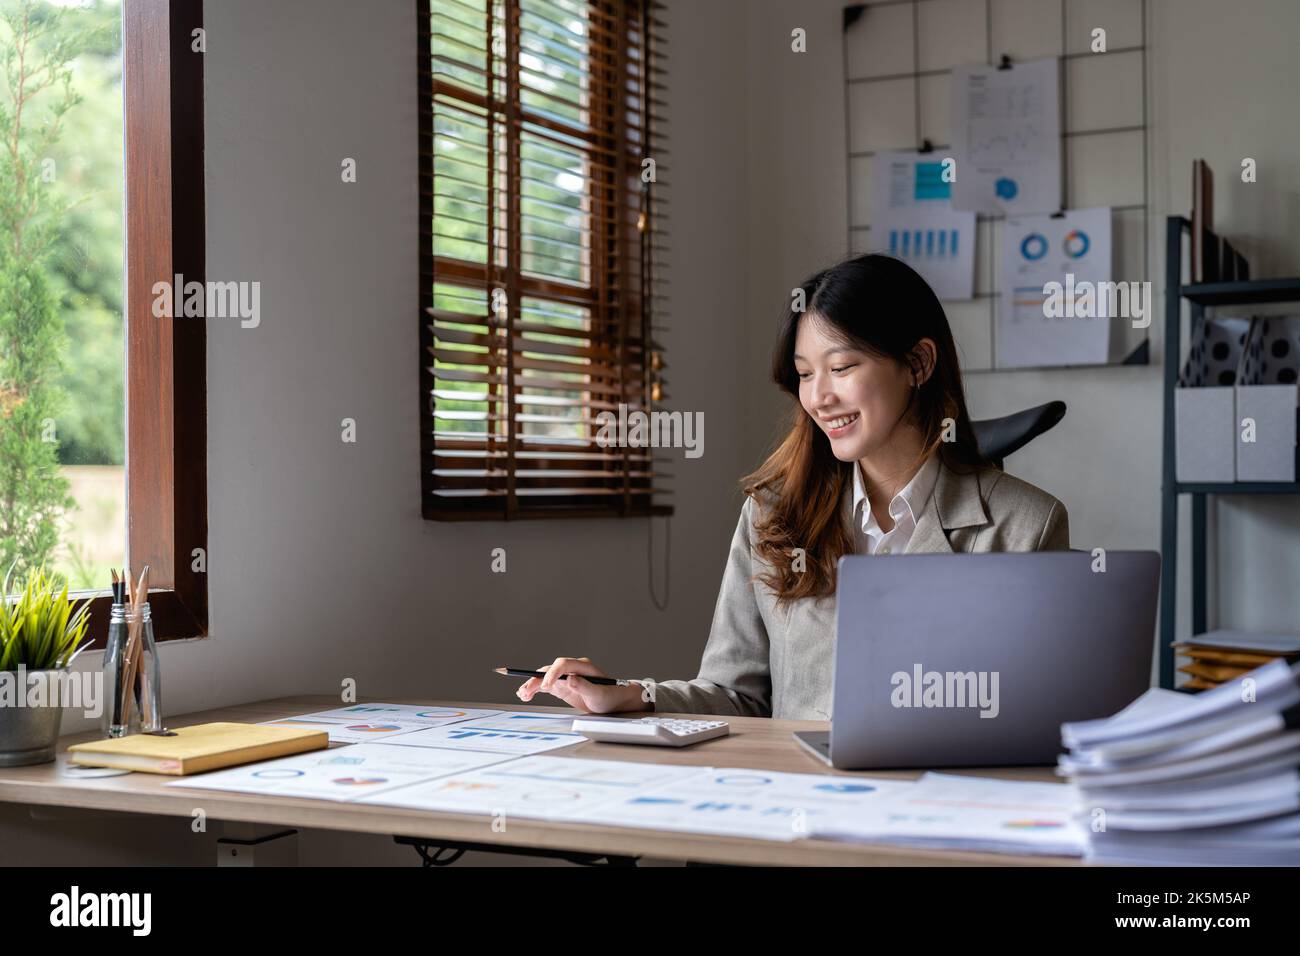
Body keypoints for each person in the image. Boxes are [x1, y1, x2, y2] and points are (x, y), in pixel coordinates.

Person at [516, 254, 1069, 719]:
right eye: (805, 374)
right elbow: (737, 695)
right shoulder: (771, 515)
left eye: (842, 366)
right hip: (797, 805)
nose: (819, 397)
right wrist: (629, 695)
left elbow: (1040, 715)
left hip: (936, 814)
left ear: (918, 363)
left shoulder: (1026, 524)